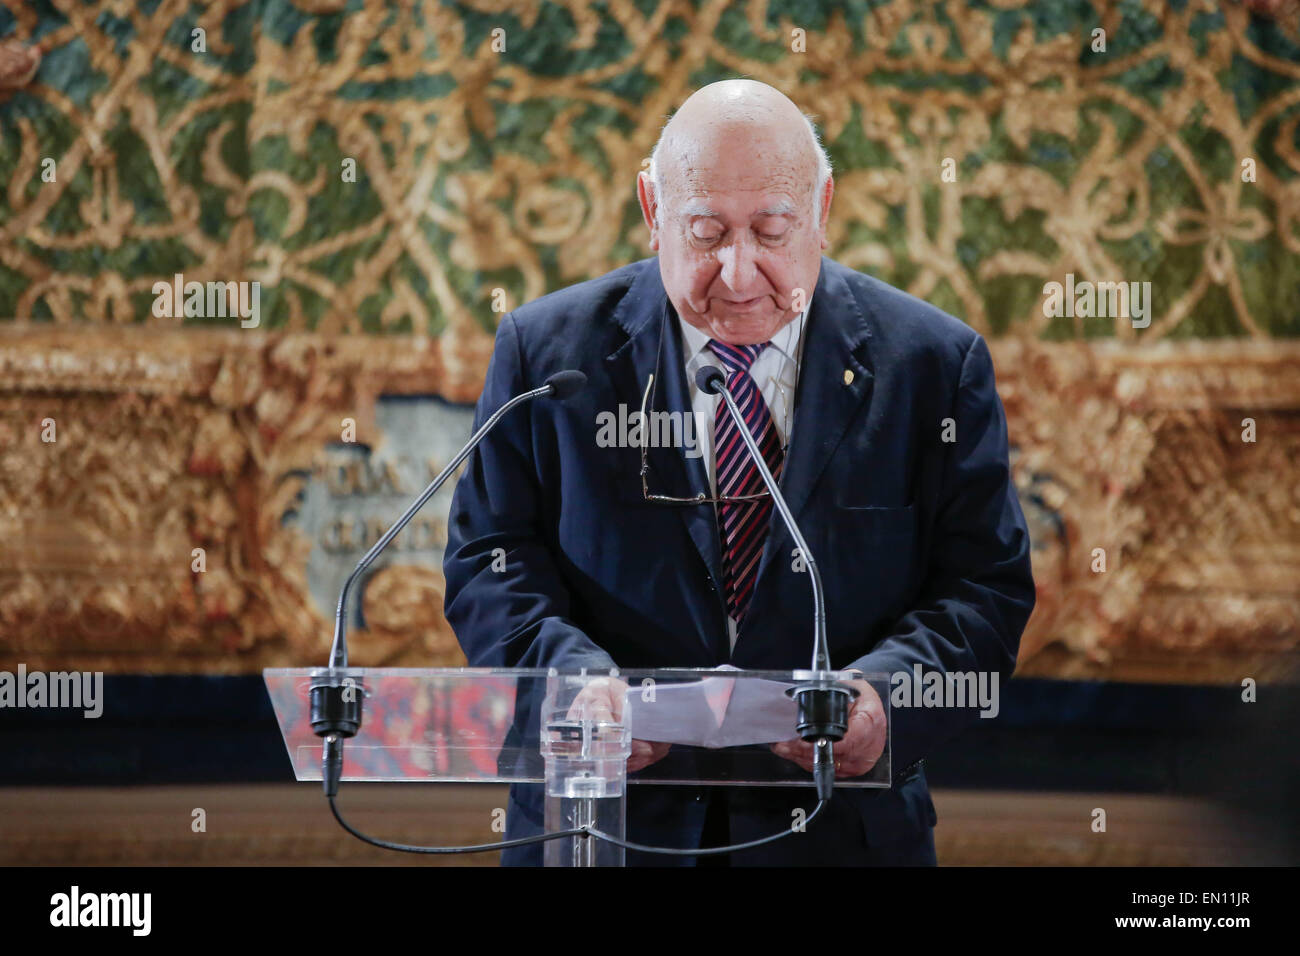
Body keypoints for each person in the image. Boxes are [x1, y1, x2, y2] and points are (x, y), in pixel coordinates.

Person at [442, 79, 1035, 865]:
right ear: (654, 213)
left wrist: (885, 701)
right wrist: (572, 684)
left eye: (771, 229)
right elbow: (491, 562)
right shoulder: (547, 354)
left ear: (823, 209)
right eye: (707, 231)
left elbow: (985, 587)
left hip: (835, 835)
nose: (740, 271)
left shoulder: (930, 366)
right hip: (602, 827)